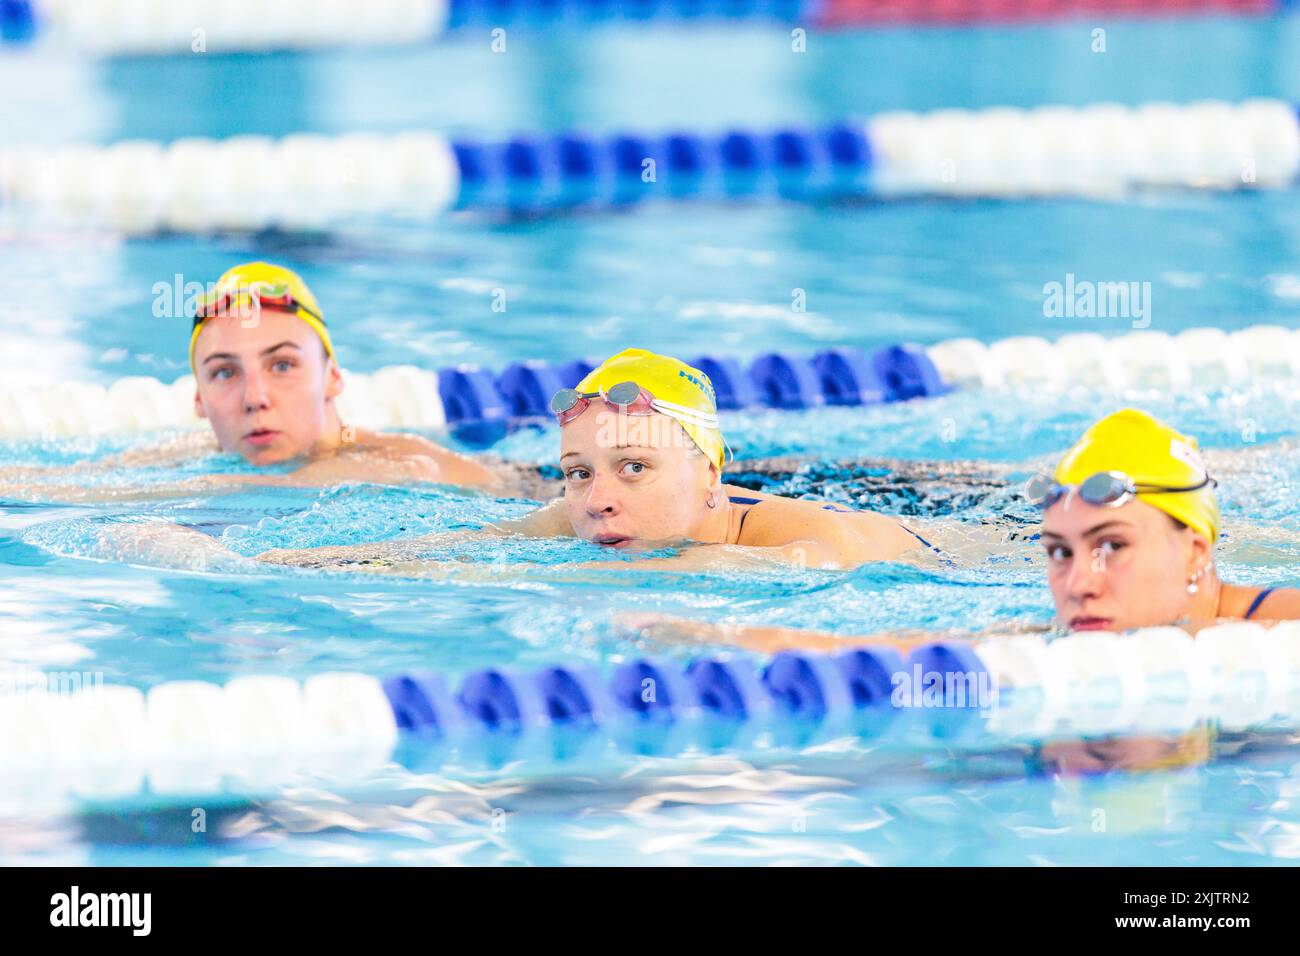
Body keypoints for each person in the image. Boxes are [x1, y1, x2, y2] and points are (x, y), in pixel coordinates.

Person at [628, 408, 1300, 653]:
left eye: (1111, 547)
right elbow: (899, 651)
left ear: (1196, 551)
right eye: (1059, 552)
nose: (1077, 583)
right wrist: (719, 640)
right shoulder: (1075, 641)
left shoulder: (1281, 625)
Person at [256, 348, 948, 573]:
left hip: (961, 534)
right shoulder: (583, 516)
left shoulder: (810, 542)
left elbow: (787, 571)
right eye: (579, 471)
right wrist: (259, 565)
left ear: (711, 475)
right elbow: (452, 550)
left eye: (634, 467)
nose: (597, 499)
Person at [0, 262, 512, 502]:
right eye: (225, 373)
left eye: (282, 365)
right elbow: (85, 477)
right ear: (199, 401)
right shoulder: (190, 449)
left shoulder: (394, 463)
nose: (255, 398)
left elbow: (169, 492)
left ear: (332, 378)